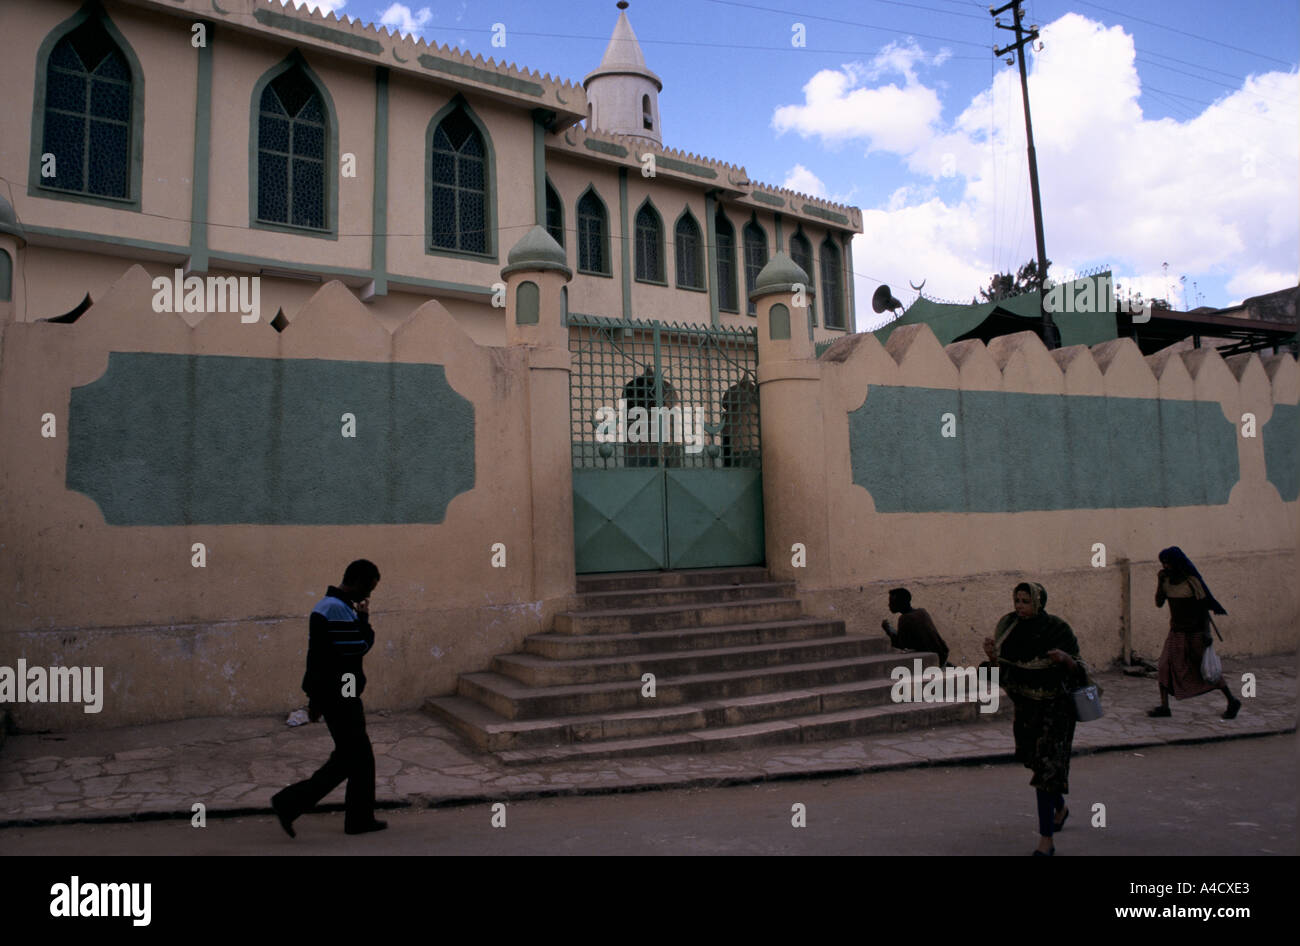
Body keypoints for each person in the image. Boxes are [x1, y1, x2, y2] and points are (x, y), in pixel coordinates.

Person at [271, 560, 386, 837]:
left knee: (356, 758)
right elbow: (356, 648)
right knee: (353, 758)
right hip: (341, 693)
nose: (367, 596)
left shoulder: (332, 606)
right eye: (368, 588)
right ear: (357, 580)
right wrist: (365, 621)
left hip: (335, 692)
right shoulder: (336, 608)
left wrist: (315, 698)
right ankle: (289, 802)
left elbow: (318, 658)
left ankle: (358, 819)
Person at [982, 581, 1090, 856]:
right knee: (1033, 762)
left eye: (1025, 601)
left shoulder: (1057, 629)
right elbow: (1003, 670)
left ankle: (1046, 841)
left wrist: (1064, 659)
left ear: (1038, 602)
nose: (1020, 606)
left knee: (1047, 772)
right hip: (1028, 709)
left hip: (1056, 710)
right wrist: (992, 657)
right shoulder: (1009, 628)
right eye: (1017, 600)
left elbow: (1079, 668)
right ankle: (1060, 808)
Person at [1149, 546, 1241, 720]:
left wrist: (1207, 634)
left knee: (1207, 670)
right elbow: (1159, 603)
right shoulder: (1166, 581)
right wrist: (1159, 583)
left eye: (1168, 563)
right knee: (1163, 666)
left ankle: (1232, 700)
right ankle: (1164, 707)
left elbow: (1203, 608)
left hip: (1195, 632)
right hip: (1176, 632)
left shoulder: (1192, 582)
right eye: (1163, 563)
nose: (1165, 566)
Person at [881, 587, 950, 665]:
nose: (889, 605)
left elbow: (902, 644)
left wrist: (888, 630)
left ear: (899, 603)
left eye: (891, 602)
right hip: (942, 655)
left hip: (931, 660)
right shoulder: (922, 612)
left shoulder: (905, 619)